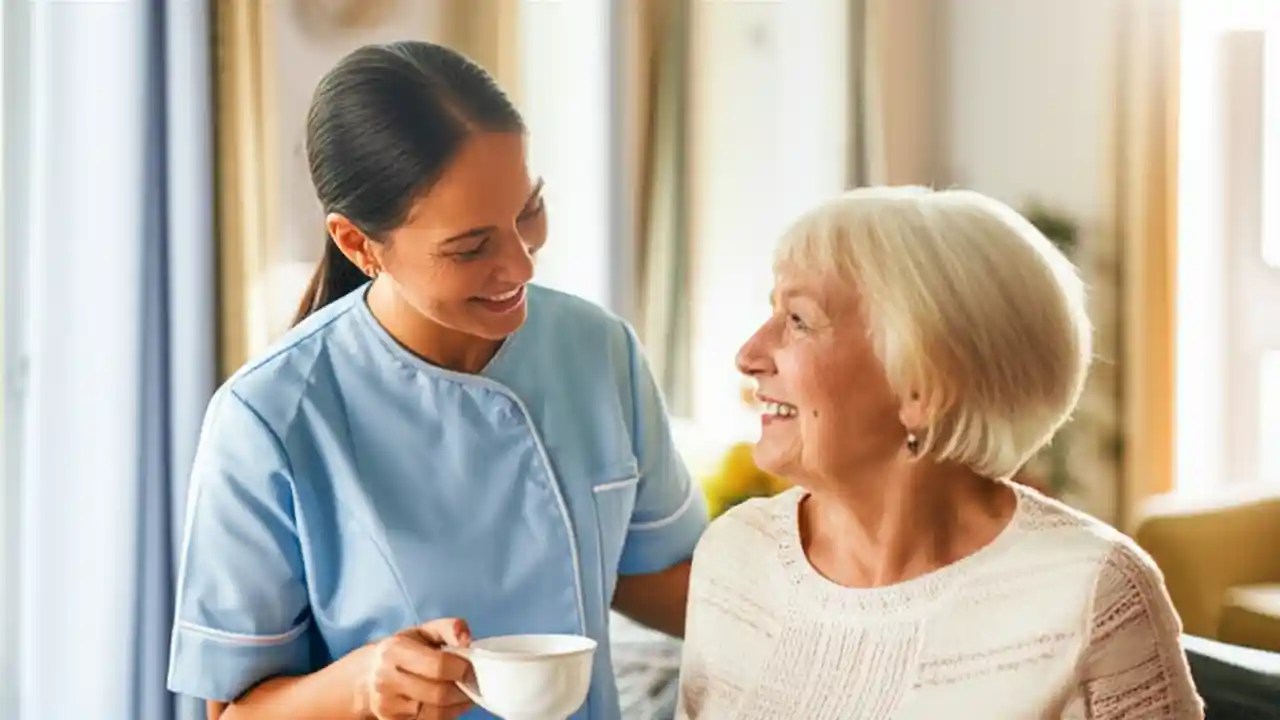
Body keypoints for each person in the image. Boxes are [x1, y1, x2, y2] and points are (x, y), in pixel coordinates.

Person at [166, 41, 707, 720]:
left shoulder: (597, 350)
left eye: (528, 211)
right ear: (358, 243)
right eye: (471, 246)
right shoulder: (270, 417)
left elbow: (654, 577)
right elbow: (234, 713)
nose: (521, 266)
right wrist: (364, 685)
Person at [676, 187, 1204, 719]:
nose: (748, 355)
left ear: (920, 389)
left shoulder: (1092, 589)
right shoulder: (735, 557)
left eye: (798, 320)